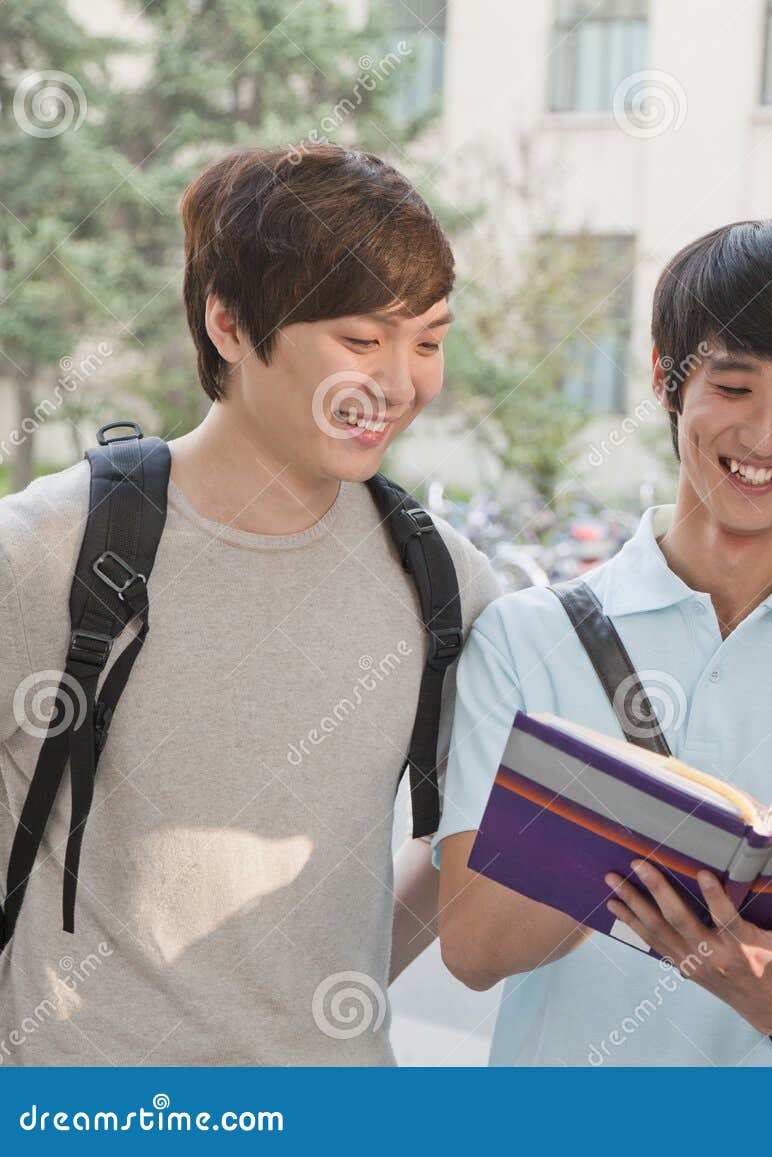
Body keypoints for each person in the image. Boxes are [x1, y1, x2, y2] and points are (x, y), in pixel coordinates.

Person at [435, 218, 772, 1066]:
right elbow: (471, 948)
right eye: (732, 388)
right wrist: (640, 844)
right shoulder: (525, 636)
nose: (766, 436)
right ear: (666, 378)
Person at [0, 145, 499, 1064]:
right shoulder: (45, 552)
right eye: (362, 339)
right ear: (229, 324)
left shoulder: (447, 584)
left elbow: (472, 843)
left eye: (427, 340)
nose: (398, 383)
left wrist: (319, 996)